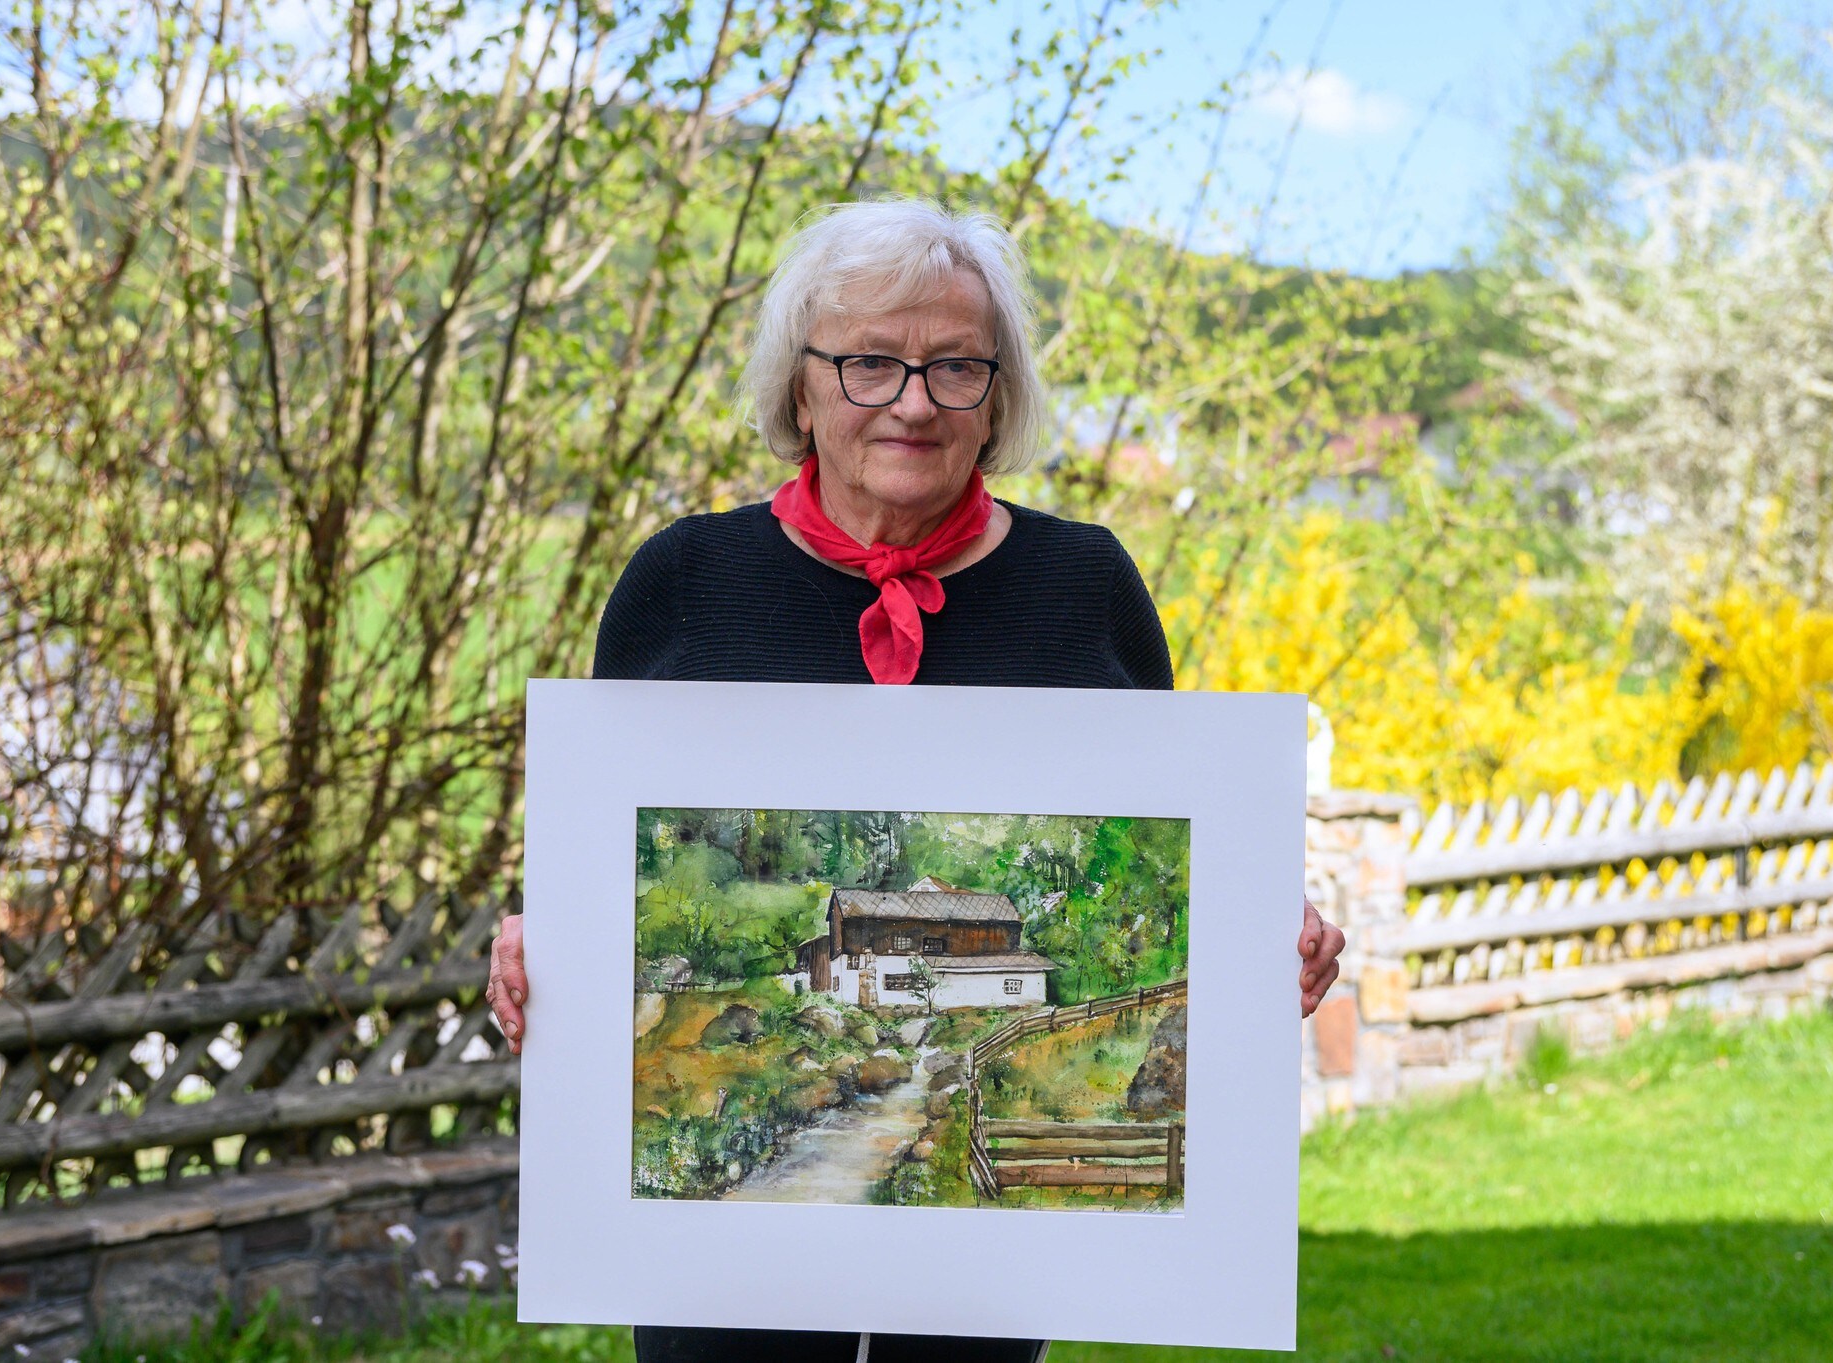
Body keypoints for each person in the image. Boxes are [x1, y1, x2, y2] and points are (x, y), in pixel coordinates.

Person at [486, 199, 1346, 1363]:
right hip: (712, 1272)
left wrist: (1253, 941)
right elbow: (604, 852)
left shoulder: (1083, 587)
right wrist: (559, 942)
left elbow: (1176, 842)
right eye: (869, 362)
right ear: (800, 388)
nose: (911, 400)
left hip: (986, 1267)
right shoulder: (685, 580)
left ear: (995, 398)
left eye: (953, 366)